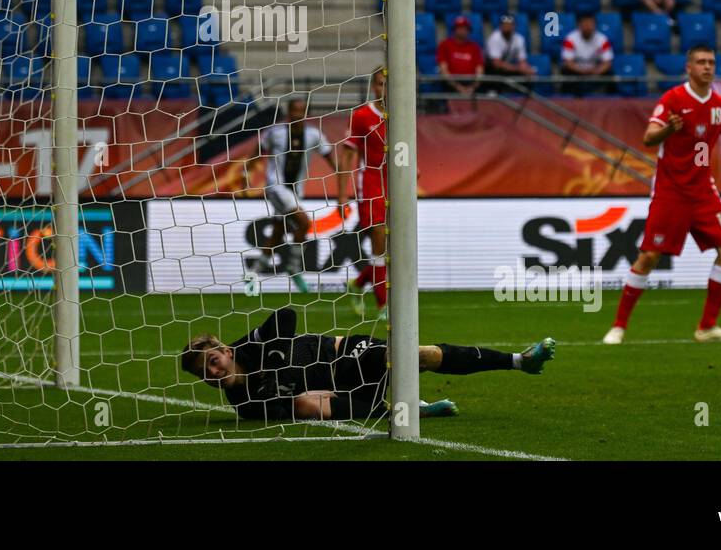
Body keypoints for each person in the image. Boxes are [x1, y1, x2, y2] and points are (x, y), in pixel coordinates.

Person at [604, 46, 721, 345]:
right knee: (649, 256)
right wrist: (668, 129)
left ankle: (707, 327)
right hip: (670, 191)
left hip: (703, 191)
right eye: (701, 62)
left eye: (711, 62)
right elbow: (648, 138)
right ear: (689, 68)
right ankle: (619, 326)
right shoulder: (673, 98)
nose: (707, 67)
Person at [181, 307, 557, 422]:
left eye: (212, 361)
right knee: (312, 406)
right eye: (205, 372)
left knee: (417, 354)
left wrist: (278, 363)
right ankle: (405, 410)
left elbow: (286, 316)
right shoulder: (245, 404)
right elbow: (297, 407)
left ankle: (521, 362)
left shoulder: (247, 347)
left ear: (225, 350)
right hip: (338, 387)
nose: (213, 372)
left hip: (345, 352)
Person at [249, 96, 338, 293]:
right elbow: (259, 149)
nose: (298, 115)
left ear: (306, 113)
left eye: (301, 111)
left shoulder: (314, 135)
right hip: (276, 187)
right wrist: (247, 170)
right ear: (289, 112)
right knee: (305, 223)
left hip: (296, 190)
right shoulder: (275, 132)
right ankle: (294, 267)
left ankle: (252, 274)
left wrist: (341, 173)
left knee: (277, 234)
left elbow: (328, 154)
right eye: (294, 111)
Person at [337, 68, 388, 318]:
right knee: (379, 241)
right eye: (380, 84)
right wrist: (342, 195)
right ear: (373, 87)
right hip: (370, 182)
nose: (384, 88)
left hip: (394, 184)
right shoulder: (361, 116)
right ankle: (383, 306)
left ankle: (358, 284)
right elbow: (347, 156)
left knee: (392, 249)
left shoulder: (401, 113)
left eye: (388, 84)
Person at [560, 13, 613, 95]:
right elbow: (568, 62)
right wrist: (582, 71)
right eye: (585, 24)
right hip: (577, 71)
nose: (588, 27)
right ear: (579, 25)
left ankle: (608, 98)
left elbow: (608, 62)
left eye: (590, 24)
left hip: (596, 70)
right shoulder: (570, 38)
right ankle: (569, 98)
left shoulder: (602, 39)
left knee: (610, 73)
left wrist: (596, 71)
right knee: (565, 70)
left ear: (595, 25)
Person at [435, 16, 484, 97]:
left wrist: (473, 87)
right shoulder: (445, 45)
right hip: (451, 84)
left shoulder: (474, 47)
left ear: (469, 30)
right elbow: (444, 70)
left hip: (470, 83)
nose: (462, 30)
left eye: (465, 28)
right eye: (459, 28)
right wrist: (458, 87)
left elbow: (479, 70)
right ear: (454, 30)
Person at [484, 13, 535, 78]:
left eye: (509, 24)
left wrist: (527, 70)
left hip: (507, 69)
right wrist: (518, 69)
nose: (507, 26)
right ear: (500, 26)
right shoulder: (495, 38)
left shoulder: (519, 39)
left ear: (514, 26)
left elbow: (522, 61)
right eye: (504, 24)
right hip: (492, 71)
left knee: (527, 76)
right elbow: (496, 63)